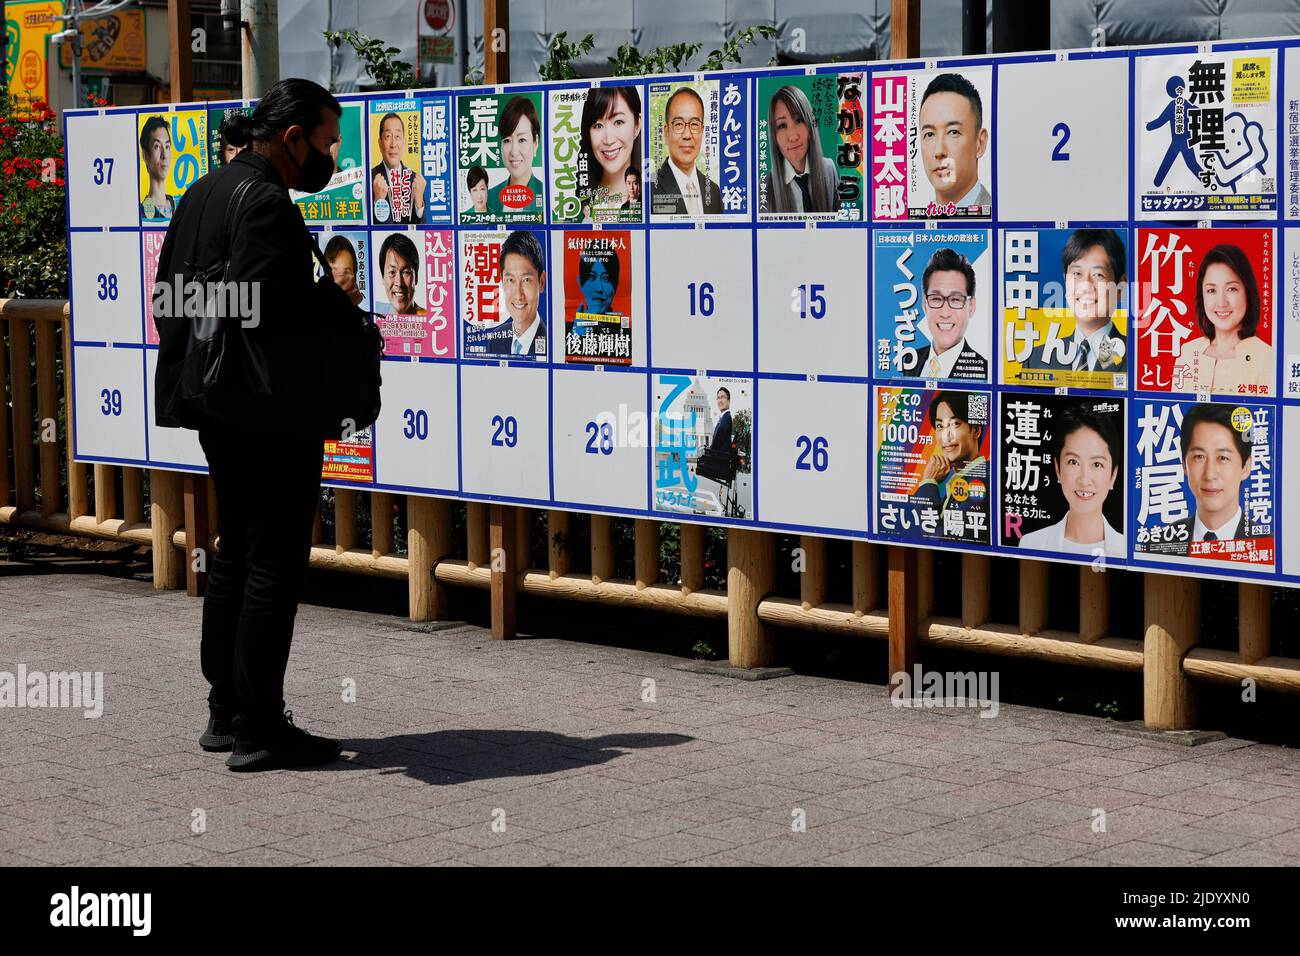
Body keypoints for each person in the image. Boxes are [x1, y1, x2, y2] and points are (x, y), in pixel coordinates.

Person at [153, 78, 366, 771]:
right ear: (293, 138)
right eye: (328, 141)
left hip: (213, 403)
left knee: (235, 551)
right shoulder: (269, 203)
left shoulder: (201, 192)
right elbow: (266, 315)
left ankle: (225, 710)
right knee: (273, 560)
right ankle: (259, 726)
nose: (331, 155)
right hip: (268, 409)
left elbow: (171, 300)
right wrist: (331, 302)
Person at [1017, 404, 1125, 556]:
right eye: (1073, 462)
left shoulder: (1126, 550)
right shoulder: (1032, 543)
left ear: (1113, 475)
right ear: (1058, 469)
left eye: (1097, 464)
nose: (1084, 480)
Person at [1172, 244, 1273, 395]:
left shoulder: (1269, 359)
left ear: (1247, 291)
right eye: (1211, 290)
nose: (1221, 302)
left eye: (1231, 289)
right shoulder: (1187, 352)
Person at [1024, 229, 1128, 376]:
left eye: (1098, 275)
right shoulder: (1035, 359)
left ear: (1120, 288)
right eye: (1077, 274)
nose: (1085, 285)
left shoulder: (1138, 358)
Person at [1166, 403, 1259, 552]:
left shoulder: (1267, 546)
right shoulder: (1161, 542)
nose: (1209, 474)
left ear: (1246, 467)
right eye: (1199, 457)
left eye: (1223, 458)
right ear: (1184, 465)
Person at [903, 247, 987, 380]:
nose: (945, 313)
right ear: (924, 304)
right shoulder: (907, 361)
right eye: (936, 299)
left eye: (955, 300)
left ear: (971, 307)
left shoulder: (986, 372)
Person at [762, 84, 839, 214]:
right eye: (782, 126)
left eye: (799, 120)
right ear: (774, 135)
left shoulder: (828, 168)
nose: (793, 136)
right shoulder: (764, 187)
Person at [918, 72, 990, 209]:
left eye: (953, 132)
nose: (939, 151)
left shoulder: (1002, 213)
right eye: (929, 134)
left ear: (980, 143)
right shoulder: (911, 226)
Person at [651, 86, 722, 216]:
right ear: (666, 133)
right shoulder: (648, 190)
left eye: (694, 124)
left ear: (702, 130)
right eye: (678, 124)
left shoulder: (714, 191)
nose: (687, 135)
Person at [914, 391, 986, 516]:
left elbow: (935, 534)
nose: (946, 436)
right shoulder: (959, 479)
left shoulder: (981, 481)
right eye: (940, 426)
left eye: (955, 424)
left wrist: (928, 482)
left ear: (976, 430)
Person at [578, 86, 642, 216]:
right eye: (598, 125)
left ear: (637, 125)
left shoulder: (652, 201)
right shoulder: (576, 206)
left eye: (618, 122)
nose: (608, 139)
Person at [486, 230, 546, 356]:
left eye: (526, 280)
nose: (518, 295)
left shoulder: (553, 341)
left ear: (541, 282)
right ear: (502, 282)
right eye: (511, 280)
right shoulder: (496, 340)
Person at [488, 96, 543, 216]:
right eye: (507, 140)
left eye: (522, 140)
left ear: (535, 143)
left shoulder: (547, 195)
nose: (514, 151)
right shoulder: (489, 198)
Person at [371, 112, 426, 224]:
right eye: (388, 136)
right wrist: (379, 201)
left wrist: (419, 203)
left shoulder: (415, 180)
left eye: (397, 137)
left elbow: (423, 231)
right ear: (380, 143)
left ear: (404, 142)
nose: (393, 144)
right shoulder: (369, 178)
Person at [139, 116, 178, 220]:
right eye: (157, 146)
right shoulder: (142, 215)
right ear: (146, 156)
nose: (164, 155)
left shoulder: (179, 206)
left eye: (167, 147)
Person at [378, 232, 423, 315]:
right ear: (383, 278)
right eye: (392, 272)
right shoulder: (375, 314)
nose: (399, 283)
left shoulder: (430, 319)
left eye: (406, 272)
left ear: (416, 277)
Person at [576, 246, 619, 317]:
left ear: (616, 284)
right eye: (591, 277)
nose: (599, 289)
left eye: (606, 278)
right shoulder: (569, 327)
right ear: (581, 283)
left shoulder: (624, 327)